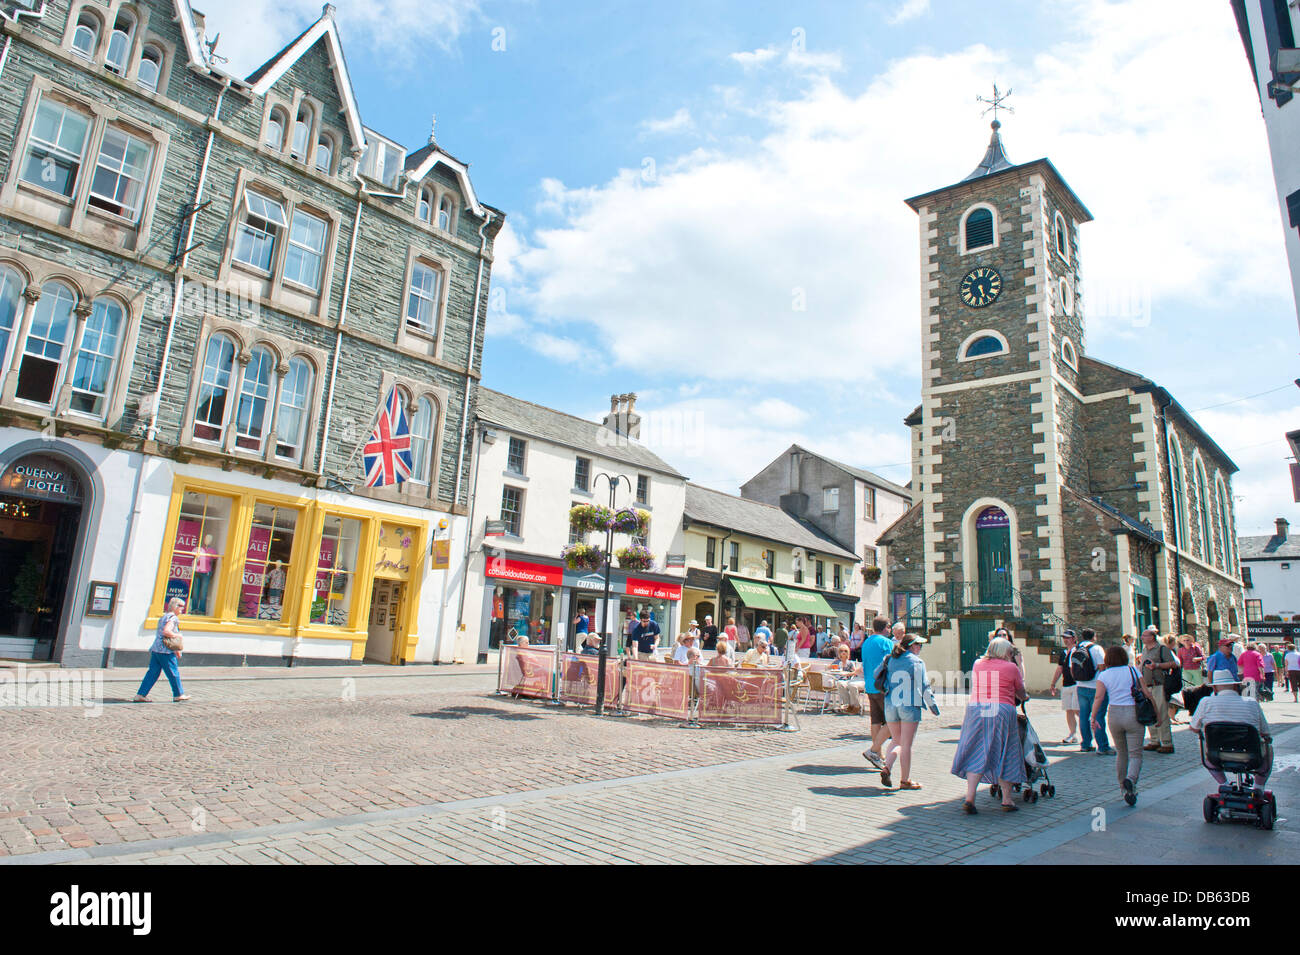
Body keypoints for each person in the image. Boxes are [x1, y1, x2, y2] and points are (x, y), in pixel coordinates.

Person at [951, 637, 1026, 813]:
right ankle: (1007, 800)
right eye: (1009, 651)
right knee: (1005, 751)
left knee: (977, 750)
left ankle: (970, 797)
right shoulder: (1011, 667)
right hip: (1001, 710)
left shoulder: (978, 663)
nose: (1010, 654)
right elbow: (1020, 690)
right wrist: (1025, 697)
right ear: (1004, 652)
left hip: (977, 709)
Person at [1091, 645, 1155, 806]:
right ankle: (1131, 780)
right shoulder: (1133, 671)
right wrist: (1156, 711)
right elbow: (1147, 693)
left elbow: (1098, 697)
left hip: (1114, 714)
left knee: (1121, 752)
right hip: (1133, 713)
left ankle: (1122, 787)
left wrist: (1093, 717)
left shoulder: (1104, 675)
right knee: (1136, 754)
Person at [1189, 670, 1273, 787]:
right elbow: (1265, 732)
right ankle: (1259, 787)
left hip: (1216, 755)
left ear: (1215, 689)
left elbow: (1193, 728)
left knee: (1203, 744)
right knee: (1269, 748)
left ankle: (1224, 784)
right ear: (1235, 686)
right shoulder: (1251, 703)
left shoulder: (1206, 702)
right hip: (1250, 754)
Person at [880, 633, 929, 790]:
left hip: (890, 703)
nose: (920, 648)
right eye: (918, 645)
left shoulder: (890, 658)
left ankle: (886, 767)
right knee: (906, 744)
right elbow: (925, 686)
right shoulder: (917, 662)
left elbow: (876, 674)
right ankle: (904, 780)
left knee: (896, 740)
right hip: (909, 704)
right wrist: (933, 707)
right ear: (911, 646)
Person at [134, 597, 190, 702]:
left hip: (156, 649)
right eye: (181, 607)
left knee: (153, 672)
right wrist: (178, 636)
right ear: (175, 606)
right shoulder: (173, 618)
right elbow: (166, 632)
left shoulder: (164, 617)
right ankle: (178, 694)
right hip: (166, 650)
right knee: (173, 673)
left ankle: (141, 694)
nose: (182, 610)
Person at [861, 616, 897, 769]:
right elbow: (892, 664)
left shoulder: (866, 642)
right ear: (884, 628)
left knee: (875, 721)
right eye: (889, 627)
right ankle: (874, 750)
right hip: (883, 686)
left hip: (870, 685)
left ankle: (878, 754)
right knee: (893, 721)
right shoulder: (887, 643)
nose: (890, 630)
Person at [1070, 628, 1111, 755]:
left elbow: (1072, 668)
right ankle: (1102, 746)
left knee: (1083, 716)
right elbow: (1102, 667)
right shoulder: (1096, 649)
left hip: (1081, 686)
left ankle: (1086, 744)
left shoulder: (1075, 649)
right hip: (1096, 686)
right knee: (1098, 716)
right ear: (1094, 636)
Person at [1138, 626, 1176, 754]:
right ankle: (1154, 740)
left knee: (1161, 713)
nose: (1142, 637)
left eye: (1145, 635)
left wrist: (1157, 666)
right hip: (1147, 685)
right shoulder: (1144, 650)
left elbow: (1172, 664)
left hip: (1159, 684)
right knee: (1150, 712)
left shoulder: (1162, 649)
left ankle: (1166, 742)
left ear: (1152, 637)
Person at [1048, 629, 1080, 744]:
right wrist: (1053, 683)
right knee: (1069, 709)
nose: (1065, 640)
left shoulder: (1078, 651)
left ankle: (1087, 731)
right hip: (1066, 684)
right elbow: (1060, 668)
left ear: (1074, 638)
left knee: (1077, 709)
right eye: (1064, 638)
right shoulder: (1064, 653)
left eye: (1068, 637)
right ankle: (1072, 734)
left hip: (1076, 684)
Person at [829, 643, 865, 712]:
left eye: (845, 651)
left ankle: (854, 706)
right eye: (842, 651)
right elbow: (829, 668)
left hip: (848, 679)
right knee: (840, 683)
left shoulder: (850, 663)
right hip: (839, 679)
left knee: (850, 685)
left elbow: (855, 672)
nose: (843, 652)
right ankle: (847, 705)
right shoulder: (837, 662)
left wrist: (847, 674)